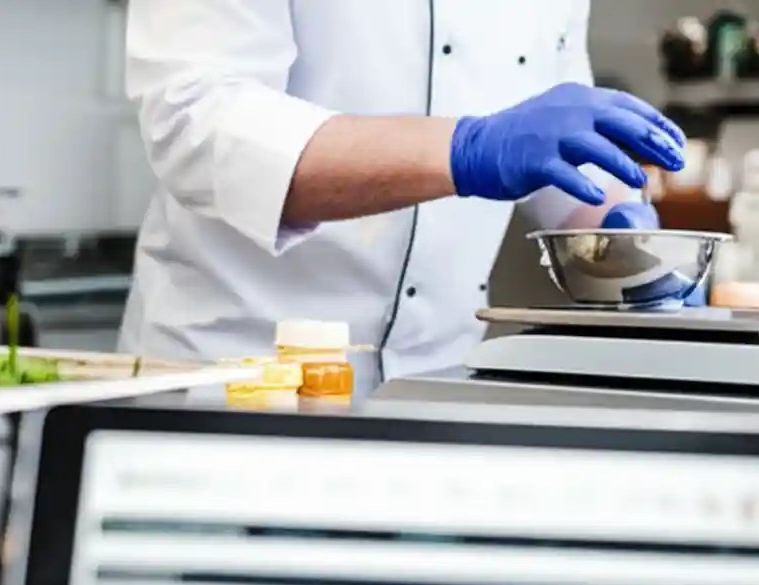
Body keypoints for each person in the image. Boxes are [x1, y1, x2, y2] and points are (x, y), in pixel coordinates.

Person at [119, 1, 690, 391]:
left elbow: (550, 133)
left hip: (437, 388)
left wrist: (624, 236)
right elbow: (196, 126)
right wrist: (465, 150)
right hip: (237, 381)